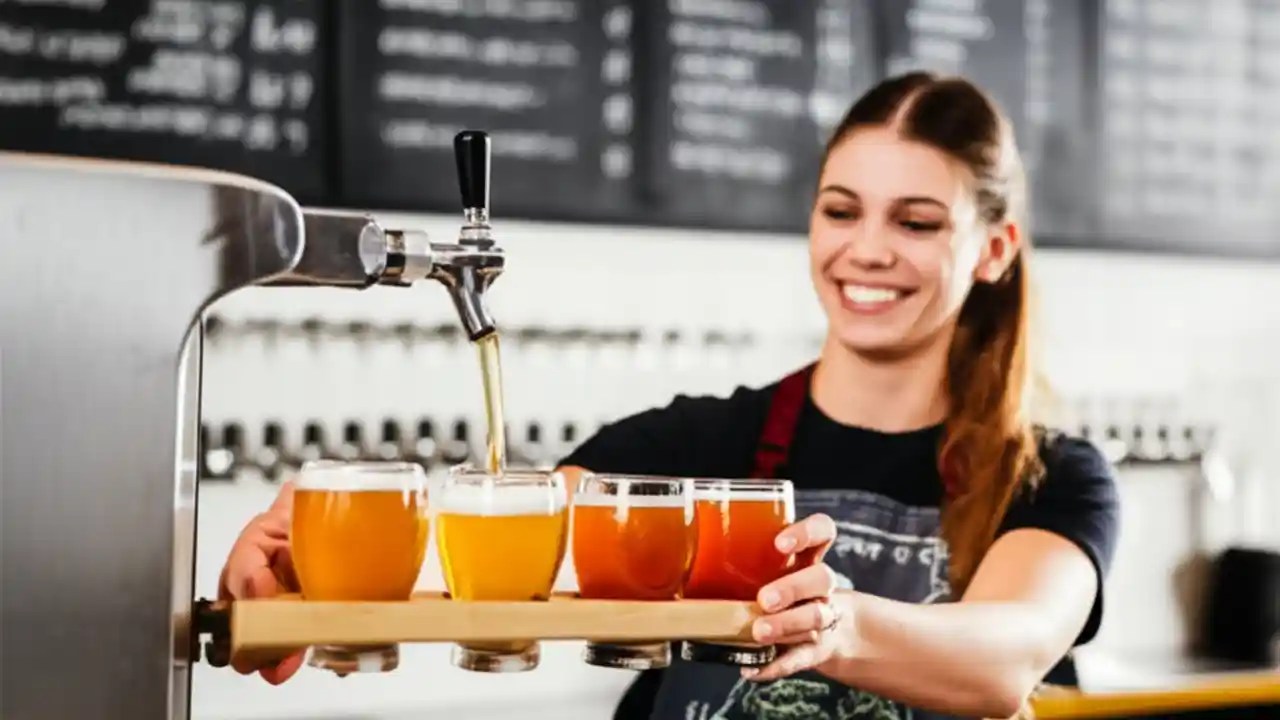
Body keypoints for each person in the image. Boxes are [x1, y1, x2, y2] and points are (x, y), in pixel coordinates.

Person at [219, 72, 1120, 720]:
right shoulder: (699, 449)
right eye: (841, 211)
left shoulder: (1052, 476)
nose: (868, 249)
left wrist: (834, 623)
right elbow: (501, 530)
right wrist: (313, 556)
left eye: (916, 222)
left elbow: (1006, 657)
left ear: (994, 251)